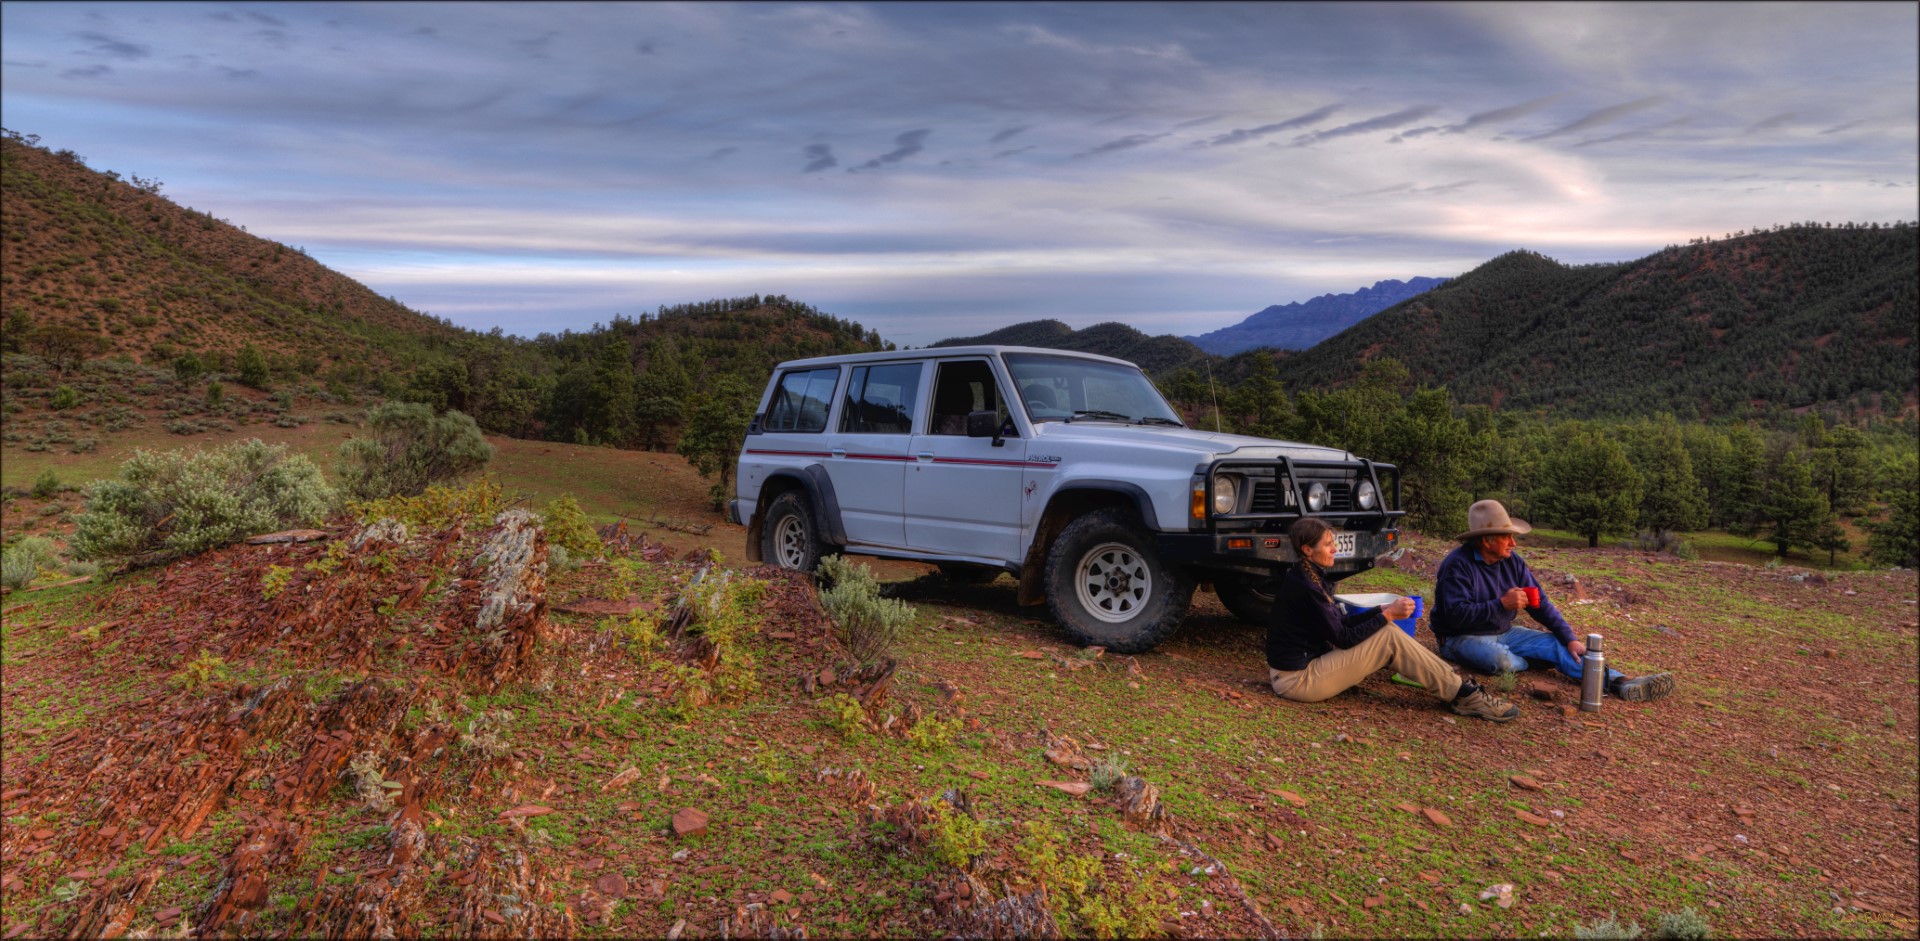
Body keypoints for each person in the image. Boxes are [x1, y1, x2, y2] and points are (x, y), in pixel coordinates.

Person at [1268, 517, 1519, 721]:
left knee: (1388, 630)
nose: (1335, 548)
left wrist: (1381, 610)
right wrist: (1388, 615)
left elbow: (1341, 624)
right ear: (1307, 550)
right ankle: (1463, 695)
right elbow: (1343, 638)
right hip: (1296, 681)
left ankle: (1457, 685)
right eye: (1327, 544)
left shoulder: (1310, 577)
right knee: (1387, 636)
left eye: (1333, 542)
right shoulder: (1306, 586)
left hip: (1305, 670)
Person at [1431, 500, 1676, 702]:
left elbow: (1540, 603)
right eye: (1507, 537)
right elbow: (1455, 616)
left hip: (1504, 632)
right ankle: (1537, 660)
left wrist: (1569, 638)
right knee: (1501, 660)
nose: (1514, 543)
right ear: (1487, 540)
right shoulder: (1457, 565)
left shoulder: (1512, 562)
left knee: (1558, 645)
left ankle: (1620, 682)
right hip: (1459, 638)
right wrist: (1500, 604)